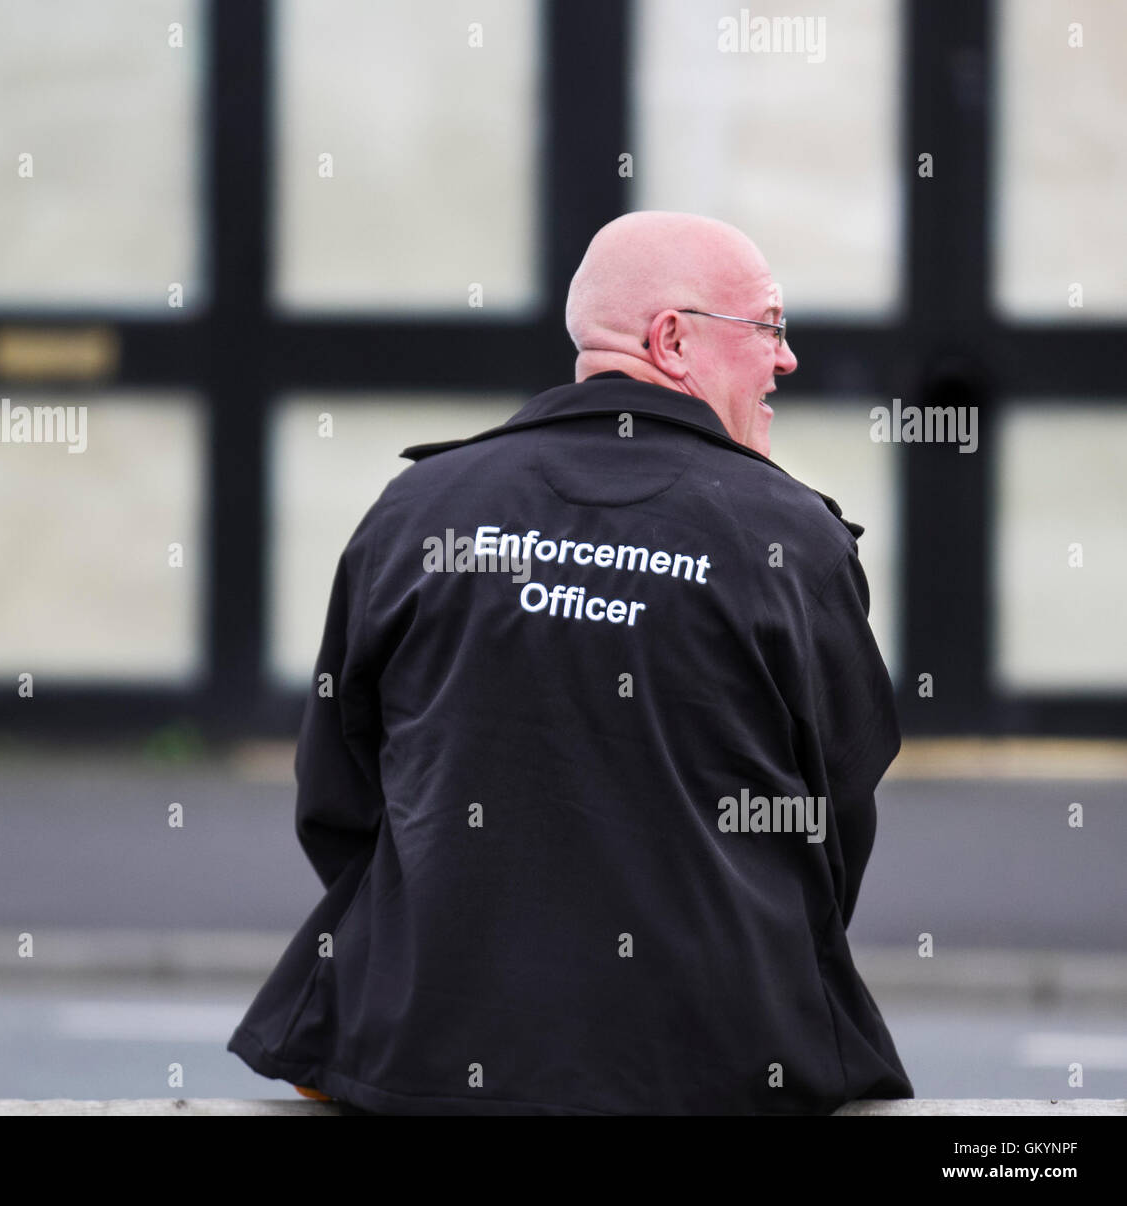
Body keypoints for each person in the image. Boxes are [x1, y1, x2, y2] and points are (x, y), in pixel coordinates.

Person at [228, 211, 913, 1115]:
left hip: (424, 1059)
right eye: (769, 328)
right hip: (725, 1067)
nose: (785, 360)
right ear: (673, 339)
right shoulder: (791, 540)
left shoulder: (417, 512)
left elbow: (338, 798)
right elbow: (835, 827)